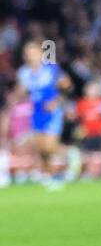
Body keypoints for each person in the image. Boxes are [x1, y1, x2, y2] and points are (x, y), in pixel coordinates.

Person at [16, 41, 79, 188]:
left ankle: (70, 155)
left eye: (33, 52)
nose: (30, 56)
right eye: (28, 53)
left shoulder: (51, 69)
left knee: (50, 145)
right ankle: (51, 176)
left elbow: (67, 86)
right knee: (41, 148)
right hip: (36, 112)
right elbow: (23, 92)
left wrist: (57, 101)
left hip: (52, 112)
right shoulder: (24, 72)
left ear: (40, 53)